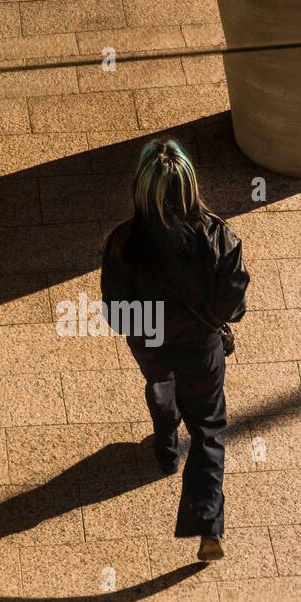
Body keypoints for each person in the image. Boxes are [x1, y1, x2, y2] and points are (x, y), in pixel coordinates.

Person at [100, 138, 249, 561]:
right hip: (200, 347)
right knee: (208, 428)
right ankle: (207, 526)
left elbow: (118, 314)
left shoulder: (122, 244)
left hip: (151, 345)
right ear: (189, 184)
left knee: (160, 385)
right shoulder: (218, 237)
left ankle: (165, 444)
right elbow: (232, 307)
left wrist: (152, 327)